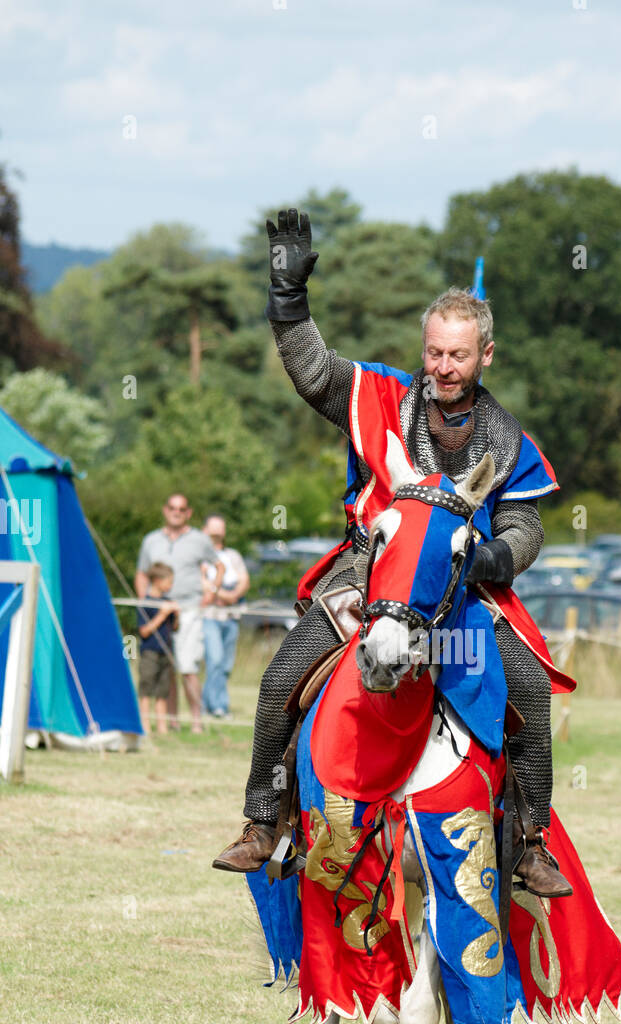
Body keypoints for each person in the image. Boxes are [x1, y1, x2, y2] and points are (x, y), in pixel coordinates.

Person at [214, 207, 569, 896]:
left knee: (528, 687)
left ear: (484, 355)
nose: (441, 366)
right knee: (280, 677)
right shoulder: (376, 396)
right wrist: (288, 299)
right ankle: (264, 820)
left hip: (461, 589)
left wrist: (492, 560)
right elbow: (311, 367)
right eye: (433, 352)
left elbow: (524, 526)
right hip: (368, 574)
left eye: (457, 355)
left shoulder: (506, 437)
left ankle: (529, 843)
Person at [135, 495, 224, 735]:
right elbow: (142, 573)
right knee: (165, 668)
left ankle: (197, 720)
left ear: (188, 512)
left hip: (188, 610)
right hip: (159, 613)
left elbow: (219, 567)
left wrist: (211, 593)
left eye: (181, 509)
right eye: (172, 508)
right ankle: (170, 721)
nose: (176, 512)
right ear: (165, 510)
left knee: (187, 667)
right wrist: (147, 603)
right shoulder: (151, 540)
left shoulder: (199, 539)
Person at [201, 515, 249, 718]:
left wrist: (232, 596)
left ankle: (208, 704)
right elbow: (202, 583)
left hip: (231, 615)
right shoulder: (201, 558)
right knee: (215, 659)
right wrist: (221, 595)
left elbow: (244, 580)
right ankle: (217, 705)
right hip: (210, 615)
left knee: (226, 664)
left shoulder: (233, 555)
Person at [136, 563, 179, 736]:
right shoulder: (145, 602)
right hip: (149, 652)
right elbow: (144, 631)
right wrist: (162, 614)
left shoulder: (168, 602)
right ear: (157, 580)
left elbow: (175, 628)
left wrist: (177, 615)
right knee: (146, 688)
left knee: (162, 691)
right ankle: (145, 725)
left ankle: (162, 727)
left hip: (166, 652)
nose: (171, 585)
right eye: (169, 581)